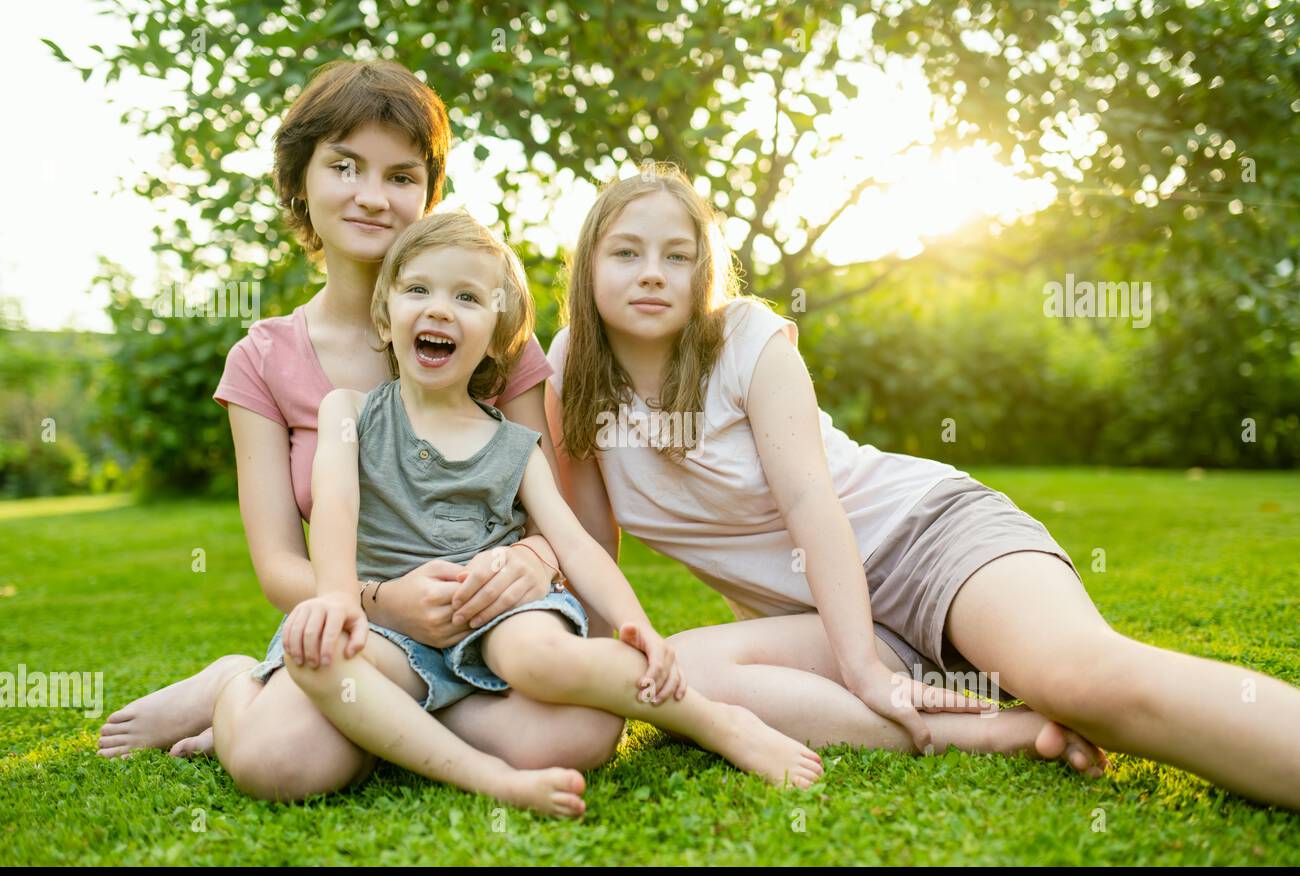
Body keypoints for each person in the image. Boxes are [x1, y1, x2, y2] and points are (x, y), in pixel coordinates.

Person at [550, 162, 1300, 810]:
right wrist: (589, 680)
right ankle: (994, 734)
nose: (652, 271)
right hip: (827, 618)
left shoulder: (748, 339)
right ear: (588, 266)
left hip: (927, 539)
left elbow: (813, 505)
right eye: (627, 252)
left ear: (702, 274)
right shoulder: (569, 370)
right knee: (689, 671)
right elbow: (589, 543)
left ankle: (1033, 705)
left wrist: (862, 671)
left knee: (1084, 683)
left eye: (676, 256)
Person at [96, 60, 625, 799]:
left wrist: (534, 564)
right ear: (301, 179)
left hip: (491, 637)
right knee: (282, 766)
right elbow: (281, 563)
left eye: (402, 177)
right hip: (365, 633)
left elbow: (559, 518)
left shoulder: (486, 331)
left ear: (428, 194)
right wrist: (383, 601)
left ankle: (383, 728)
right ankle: (231, 687)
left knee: (583, 733)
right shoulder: (263, 360)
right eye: (344, 166)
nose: (373, 197)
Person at [273, 210, 826, 816]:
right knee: (322, 662)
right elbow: (335, 505)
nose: (438, 309)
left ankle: (717, 721)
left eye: (466, 297)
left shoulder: (515, 443)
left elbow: (572, 540)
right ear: (385, 316)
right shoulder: (347, 412)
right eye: (417, 290)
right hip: (393, 628)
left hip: (504, 611)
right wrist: (333, 597)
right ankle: (489, 777)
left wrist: (631, 619)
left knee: (533, 657)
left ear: (495, 331)